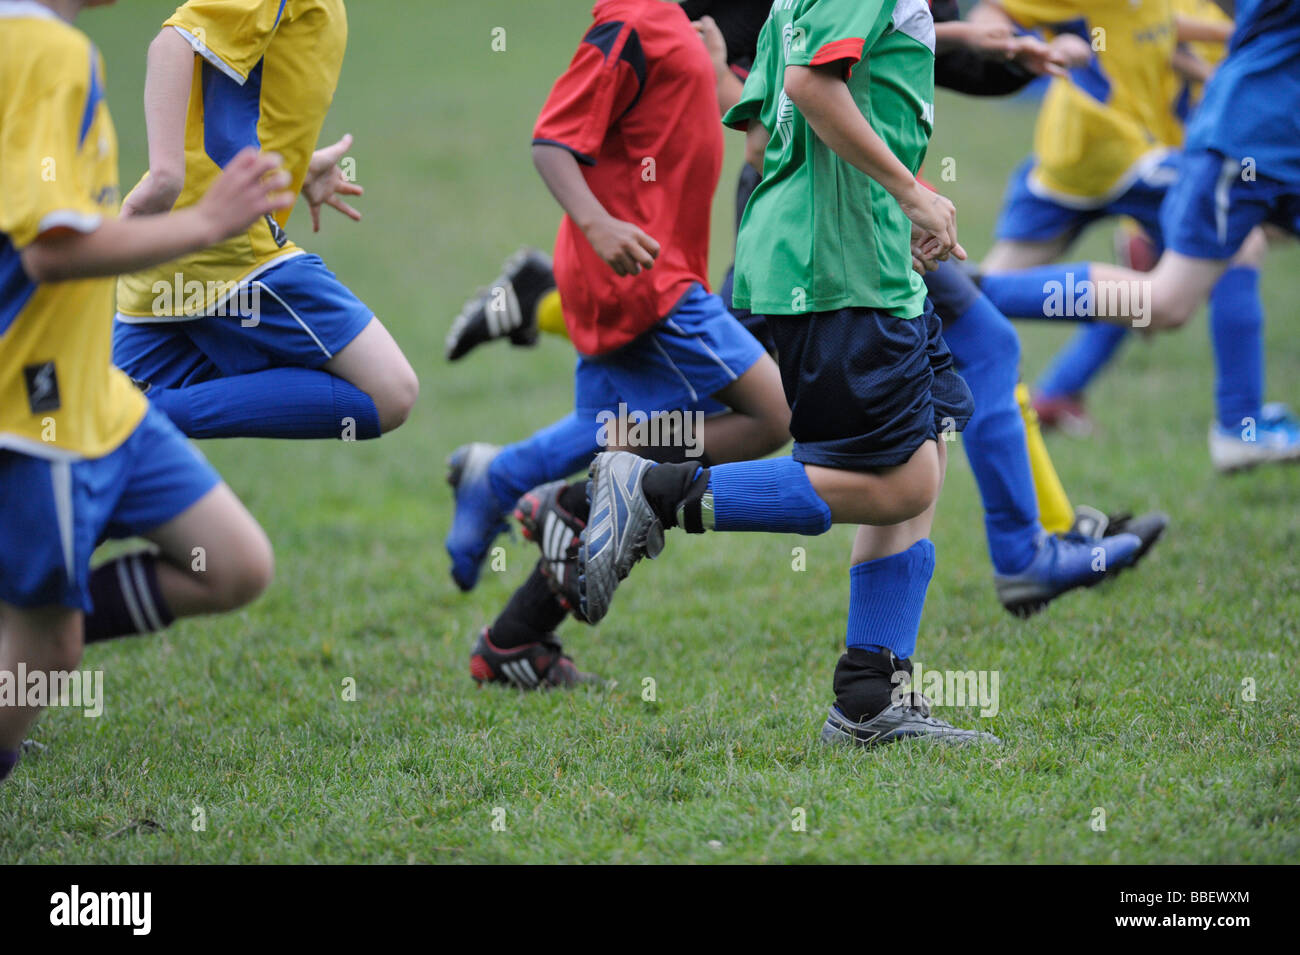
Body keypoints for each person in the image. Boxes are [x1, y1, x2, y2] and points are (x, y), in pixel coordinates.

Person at [578, 0, 1002, 746]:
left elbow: (757, 138)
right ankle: (655, 488)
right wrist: (907, 192)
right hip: (839, 270)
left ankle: (871, 695)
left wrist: (876, 201)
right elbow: (809, 85)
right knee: (905, 481)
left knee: (927, 439)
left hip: (861, 257)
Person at [0, 0, 293, 782]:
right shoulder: (41, 51)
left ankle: (22, 632)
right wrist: (207, 223)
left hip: (101, 394)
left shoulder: (44, 46)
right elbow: (51, 251)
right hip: (38, 410)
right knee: (48, 652)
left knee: (235, 563)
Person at [972, 0, 1299, 472]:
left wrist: (1205, 57)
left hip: (1066, 163)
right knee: (1236, 246)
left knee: (974, 294)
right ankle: (1239, 421)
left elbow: (1162, 25)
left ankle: (922, 352)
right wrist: (1013, 42)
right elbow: (996, 9)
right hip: (1110, 148)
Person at [110, 0, 419, 444]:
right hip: (227, 248)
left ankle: (118, 418)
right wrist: (165, 177)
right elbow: (173, 42)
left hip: (173, 256)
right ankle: (141, 415)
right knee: (389, 393)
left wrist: (295, 166)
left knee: (102, 469)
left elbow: (233, 98)